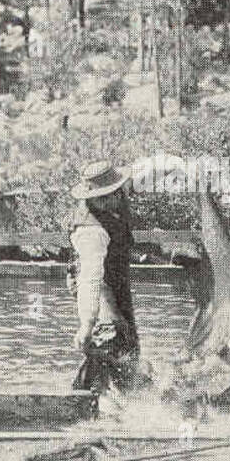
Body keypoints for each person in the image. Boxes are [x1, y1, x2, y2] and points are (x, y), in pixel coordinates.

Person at [68, 159, 140, 392]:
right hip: (96, 284)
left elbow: (145, 173)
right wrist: (87, 325)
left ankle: (129, 392)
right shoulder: (91, 230)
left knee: (128, 339)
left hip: (116, 278)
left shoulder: (116, 197)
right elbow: (90, 279)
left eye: (116, 191)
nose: (116, 197)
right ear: (96, 198)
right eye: (107, 195)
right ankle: (86, 395)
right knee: (110, 336)